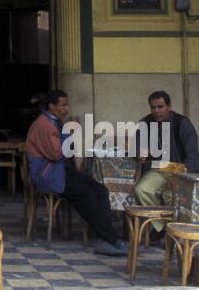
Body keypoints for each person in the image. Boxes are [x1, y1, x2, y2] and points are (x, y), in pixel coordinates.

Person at [25, 89, 128, 256]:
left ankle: (105, 239)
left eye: (67, 105)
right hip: (49, 175)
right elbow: (56, 153)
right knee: (86, 194)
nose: (66, 109)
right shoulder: (43, 124)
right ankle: (111, 239)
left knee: (100, 190)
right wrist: (70, 132)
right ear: (51, 106)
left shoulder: (54, 121)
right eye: (62, 105)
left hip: (61, 172)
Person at [132, 90, 199, 242]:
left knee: (171, 194)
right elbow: (136, 146)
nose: (156, 111)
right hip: (158, 169)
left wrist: (181, 175)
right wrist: (140, 152)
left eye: (160, 107)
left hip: (180, 169)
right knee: (142, 189)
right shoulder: (145, 123)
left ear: (169, 106)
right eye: (153, 107)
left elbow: (192, 154)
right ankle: (162, 226)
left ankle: (174, 232)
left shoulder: (182, 123)